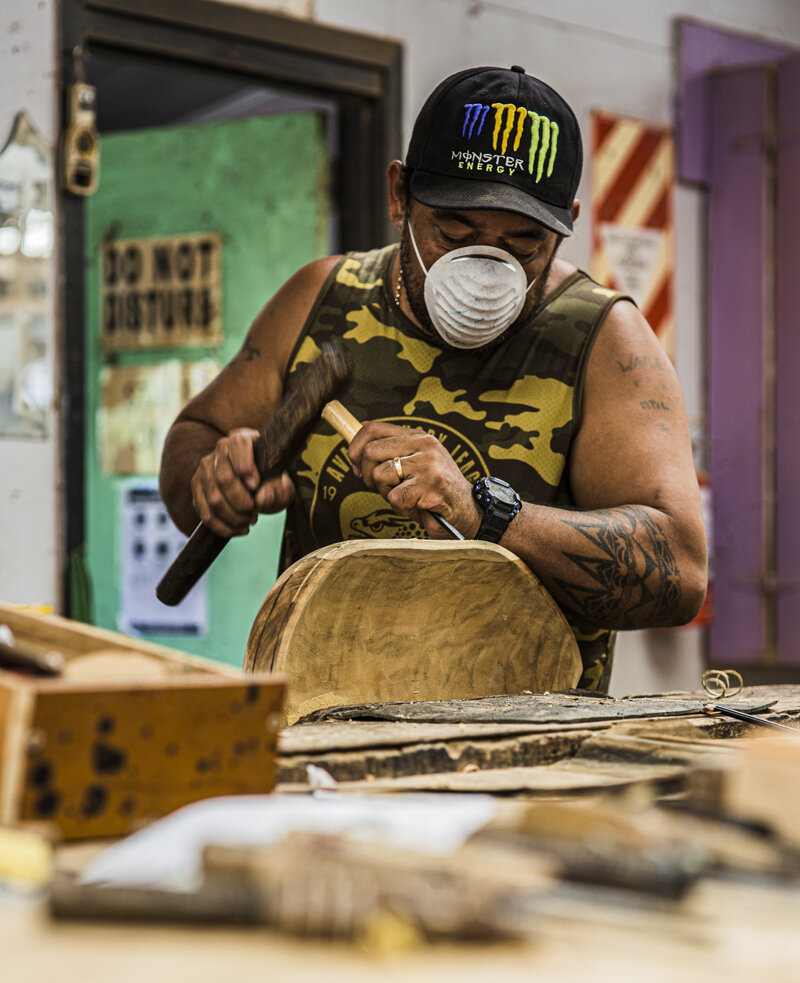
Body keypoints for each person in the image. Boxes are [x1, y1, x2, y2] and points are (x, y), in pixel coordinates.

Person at [159, 64, 707, 691]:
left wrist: (486, 514)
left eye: (523, 244)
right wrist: (210, 480)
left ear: (567, 223)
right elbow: (195, 435)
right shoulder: (323, 303)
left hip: (525, 750)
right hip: (323, 726)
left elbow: (681, 576)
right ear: (399, 196)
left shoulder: (602, 340)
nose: (485, 273)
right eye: (455, 233)